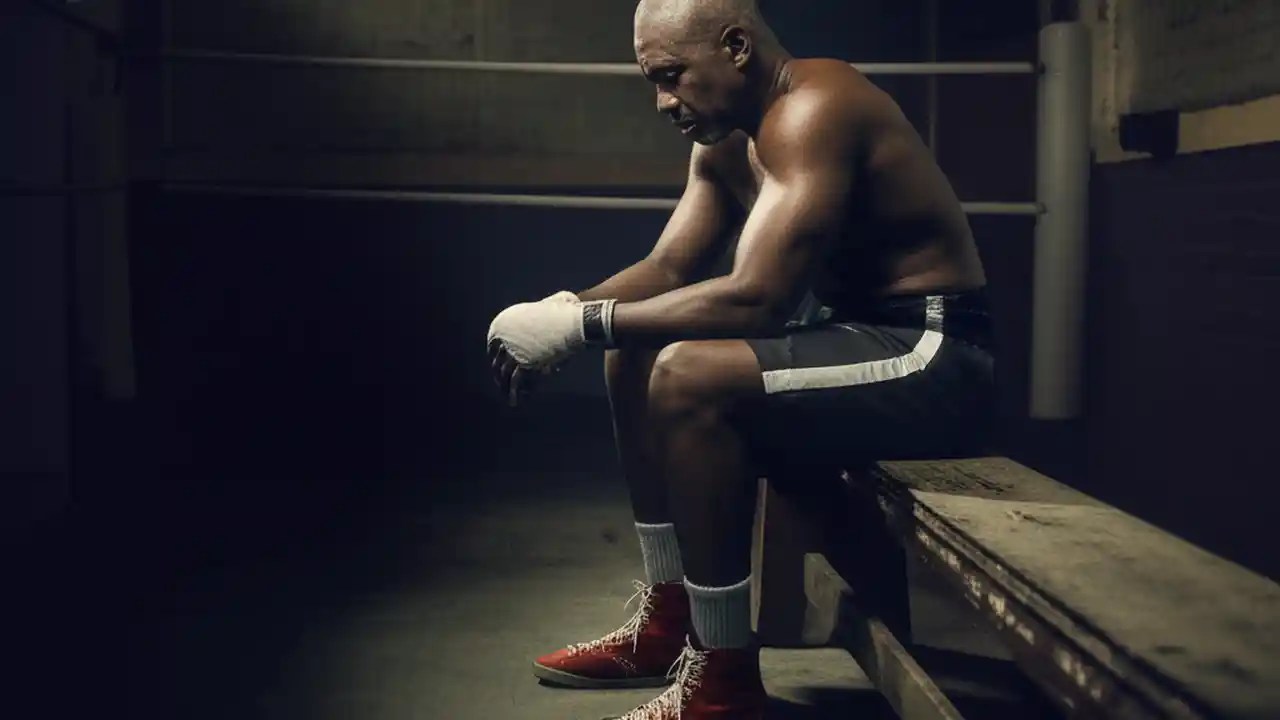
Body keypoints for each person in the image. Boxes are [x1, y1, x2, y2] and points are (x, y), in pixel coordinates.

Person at [486, 0, 995, 717]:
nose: (664, 101)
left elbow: (757, 299)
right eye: (652, 82)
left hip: (934, 353)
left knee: (688, 375)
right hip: (851, 337)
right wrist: (564, 309)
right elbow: (667, 267)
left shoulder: (817, 109)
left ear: (735, 46)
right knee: (631, 353)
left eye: (672, 76)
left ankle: (723, 681)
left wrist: (583, 325)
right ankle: (669, 620)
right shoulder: (725, 142)